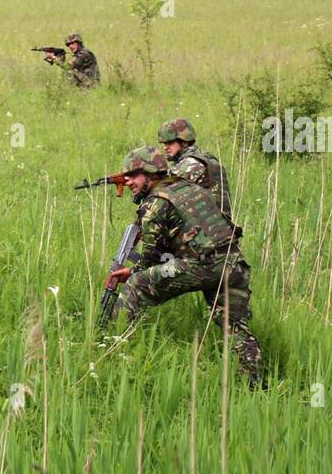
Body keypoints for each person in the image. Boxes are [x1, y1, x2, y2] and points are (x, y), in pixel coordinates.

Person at [105, 147, 263, 387]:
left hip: (202, 266)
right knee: (235, 326)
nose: (127, 181)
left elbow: (150, 255)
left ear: (150, 173)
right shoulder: (190, 188)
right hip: (234, 264)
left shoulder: (155, 203)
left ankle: (113, 350)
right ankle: (256, 384)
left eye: (133, 175)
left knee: (137, 284)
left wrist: (133, 273)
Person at [156, 118, 232, 224]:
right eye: (163, 143)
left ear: (184, 142)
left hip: (210, 230)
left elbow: (159, 191)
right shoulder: (205, 158)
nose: (165, 147)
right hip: (218, 227)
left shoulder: (192, 163)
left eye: (169, 142)